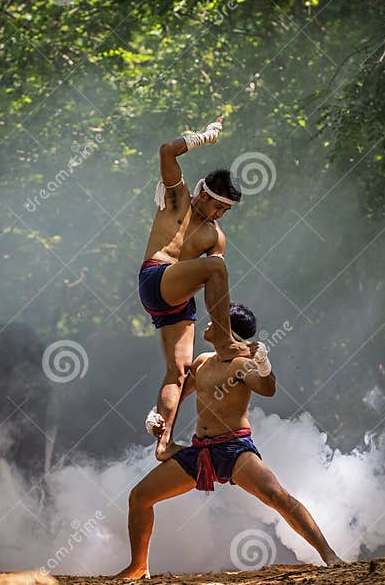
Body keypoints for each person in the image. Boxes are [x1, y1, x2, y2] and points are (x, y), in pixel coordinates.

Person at [115, 304, 346, 579]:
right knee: (140, 497)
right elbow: (177, 395)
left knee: (276, 496)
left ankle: (330, 555)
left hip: (234, 449)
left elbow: (267, 388)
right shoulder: (202, 361)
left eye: (215, 319)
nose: (208, 323)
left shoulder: (241, 364)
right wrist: (160, 424)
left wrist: (263, 363)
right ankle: (138, 566)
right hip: (200, 450)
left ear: (226, 328)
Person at [139, 116, 254, 461]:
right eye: (217, 204)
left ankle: (163, 441)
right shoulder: (178, 200)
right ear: (203, 192)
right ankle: (224, 340)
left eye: (226, 209)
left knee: (181, 371)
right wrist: (206, 137)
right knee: (215, 267)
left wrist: (224, 319)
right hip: (157, 278)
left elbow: (213, 290)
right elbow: (167, 152)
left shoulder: (216, 236)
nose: (220, 213)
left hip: (179, 301)